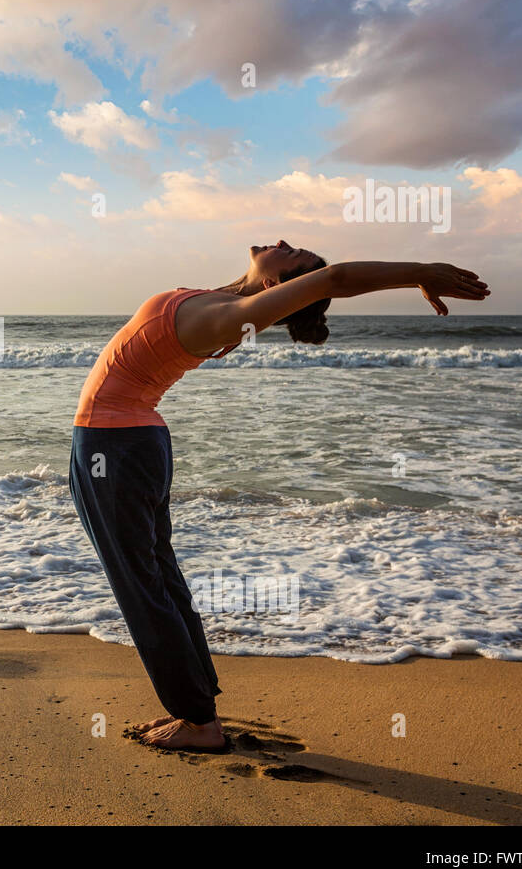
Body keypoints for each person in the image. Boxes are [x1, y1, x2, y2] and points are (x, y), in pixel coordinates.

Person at [68, 242, 490, 750]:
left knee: (141, 586)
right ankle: (198, 704)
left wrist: (419, 271)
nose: (283, 242)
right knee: (157, 578)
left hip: (116, 446)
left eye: (291, 253)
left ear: (277, 286)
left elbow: (334, 279)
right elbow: (322, 282)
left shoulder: (229, 316)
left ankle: (199, 720)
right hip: (127, 443)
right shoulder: (225, 301)